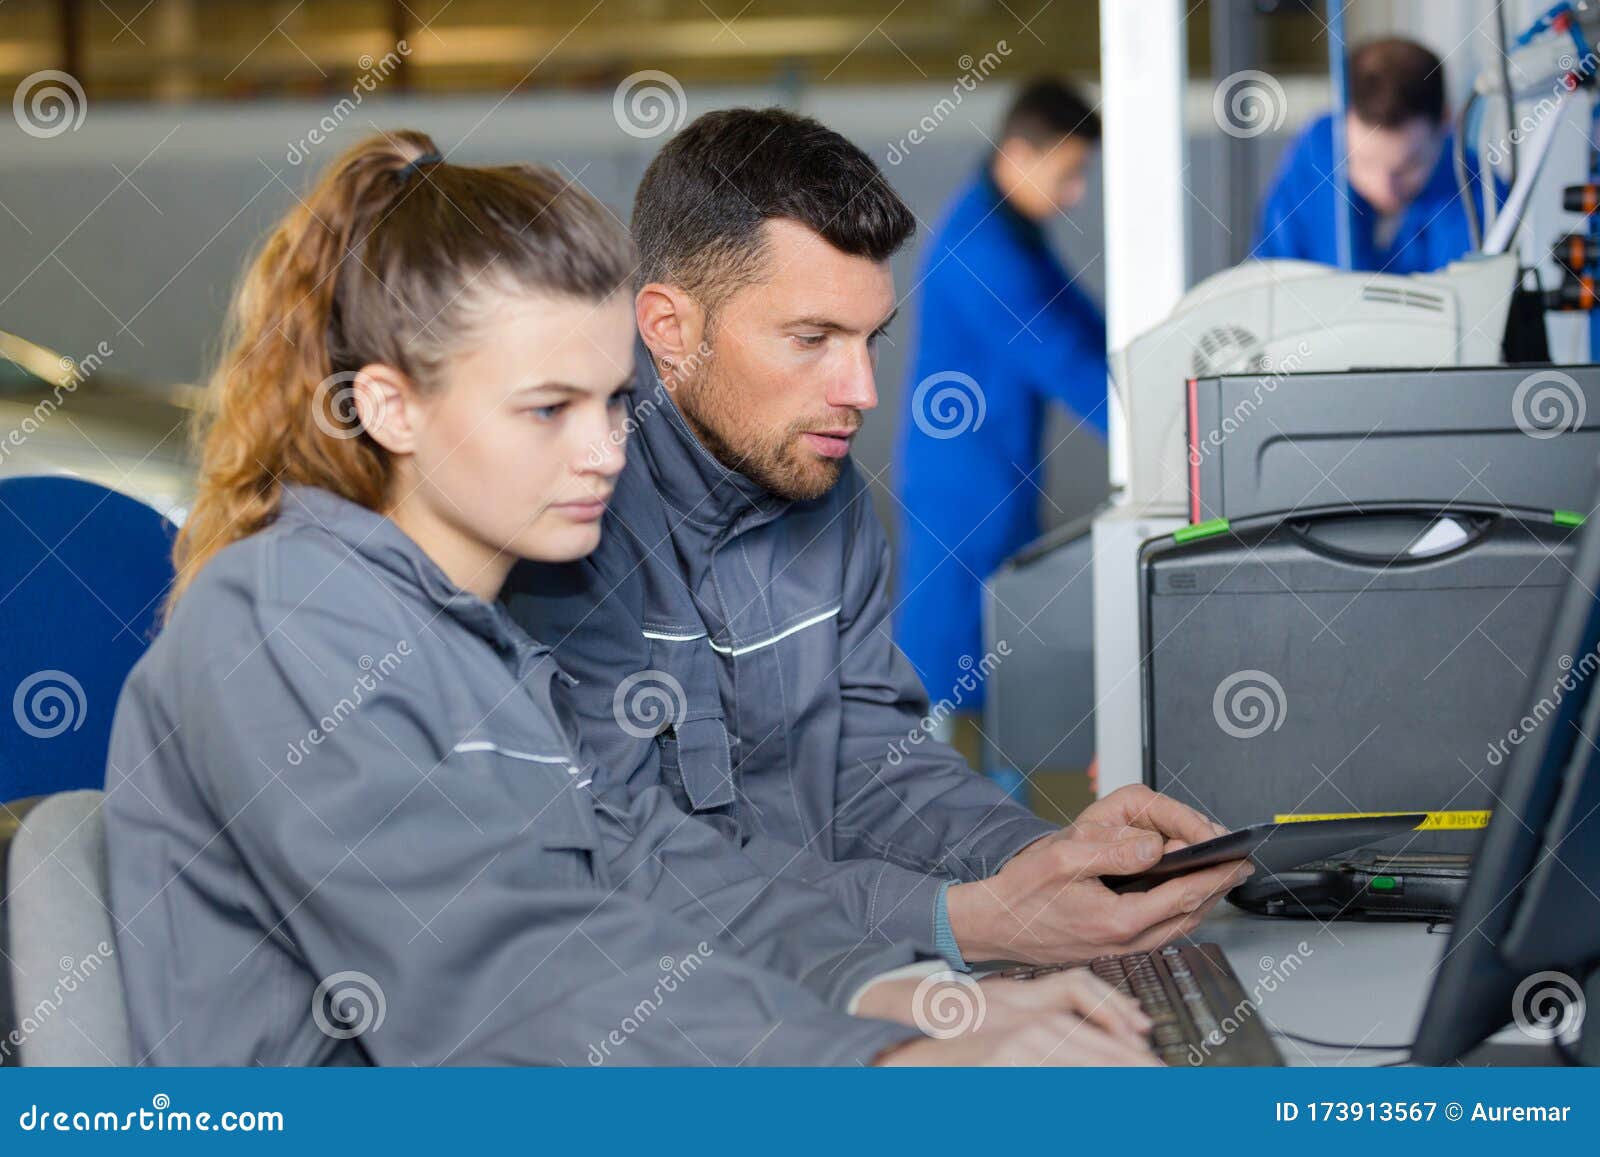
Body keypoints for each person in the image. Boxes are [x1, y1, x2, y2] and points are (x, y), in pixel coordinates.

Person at [104, 130, 1158, 1067]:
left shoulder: (477, 640)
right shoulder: (284, 611)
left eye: (613, 401)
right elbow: (496, 968)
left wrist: (906, 994)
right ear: (390, 407)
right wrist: (875, 1058)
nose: (607, 451)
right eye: (548, 408)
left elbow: (655, 873)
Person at [505, 108, 1252, 973]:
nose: (860, 389)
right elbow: (633, 867)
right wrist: (960, 920)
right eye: (812, 338)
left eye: (870, 339)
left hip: (819, 989)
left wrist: (1036, 860)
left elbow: (870, 760)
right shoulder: (568, 518)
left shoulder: (826, 495)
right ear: (671, 327)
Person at [894, 77, 1110, 724]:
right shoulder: (981, 249)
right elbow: (1066, 360)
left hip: (997, 475)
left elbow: (1081, 324)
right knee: (943, 671)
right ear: (1019, 153)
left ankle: (992, 808)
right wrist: (1165, 436)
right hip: (963, 490)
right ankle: (918, 812)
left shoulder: (1011, 230)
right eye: (1070, 173)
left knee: (997, 665)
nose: (1077, 192)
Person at [1254, 37, 1483, 274]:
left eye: (1408, 168)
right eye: (1364, 162)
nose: (1384, 187)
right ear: (1341, 122)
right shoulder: (1315, 155)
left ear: (1446, 122)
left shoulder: (1482, 196)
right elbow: (1270, 277)